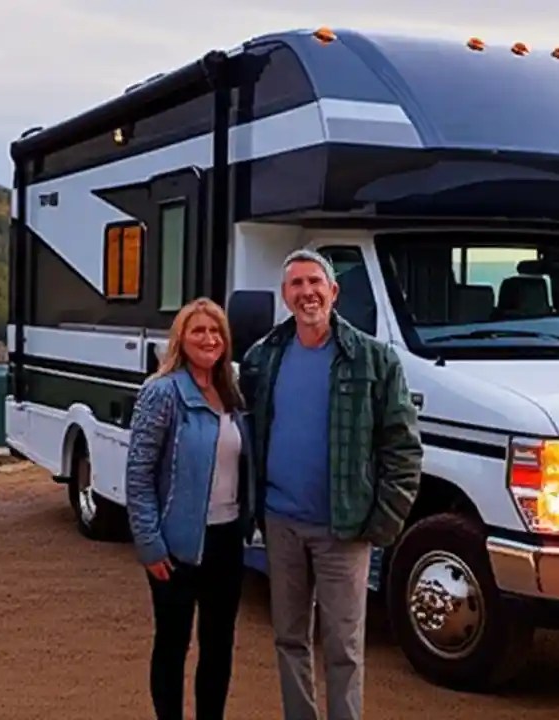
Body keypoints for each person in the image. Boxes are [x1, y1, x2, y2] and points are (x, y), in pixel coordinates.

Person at [239, 248, 423, 720]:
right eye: (296, 285)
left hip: (345, 529)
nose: (307, 293)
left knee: (343, 646)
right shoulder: (263, 358)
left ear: (334, 291)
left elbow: (402, 449)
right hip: (281, 523)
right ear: (285, 295)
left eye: (315, 283)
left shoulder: (374, 360)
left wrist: (381, 523)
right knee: (289, 638)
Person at [125, 297, 253, 720]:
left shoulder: (232, 392)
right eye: (198, 330)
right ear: (181, 338)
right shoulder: (161, 392)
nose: (209, 338)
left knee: (218, 646)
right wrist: (149, 544)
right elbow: (139, 474)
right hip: (176, 545)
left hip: (227, 539)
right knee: (173, 645)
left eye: (216, 331)